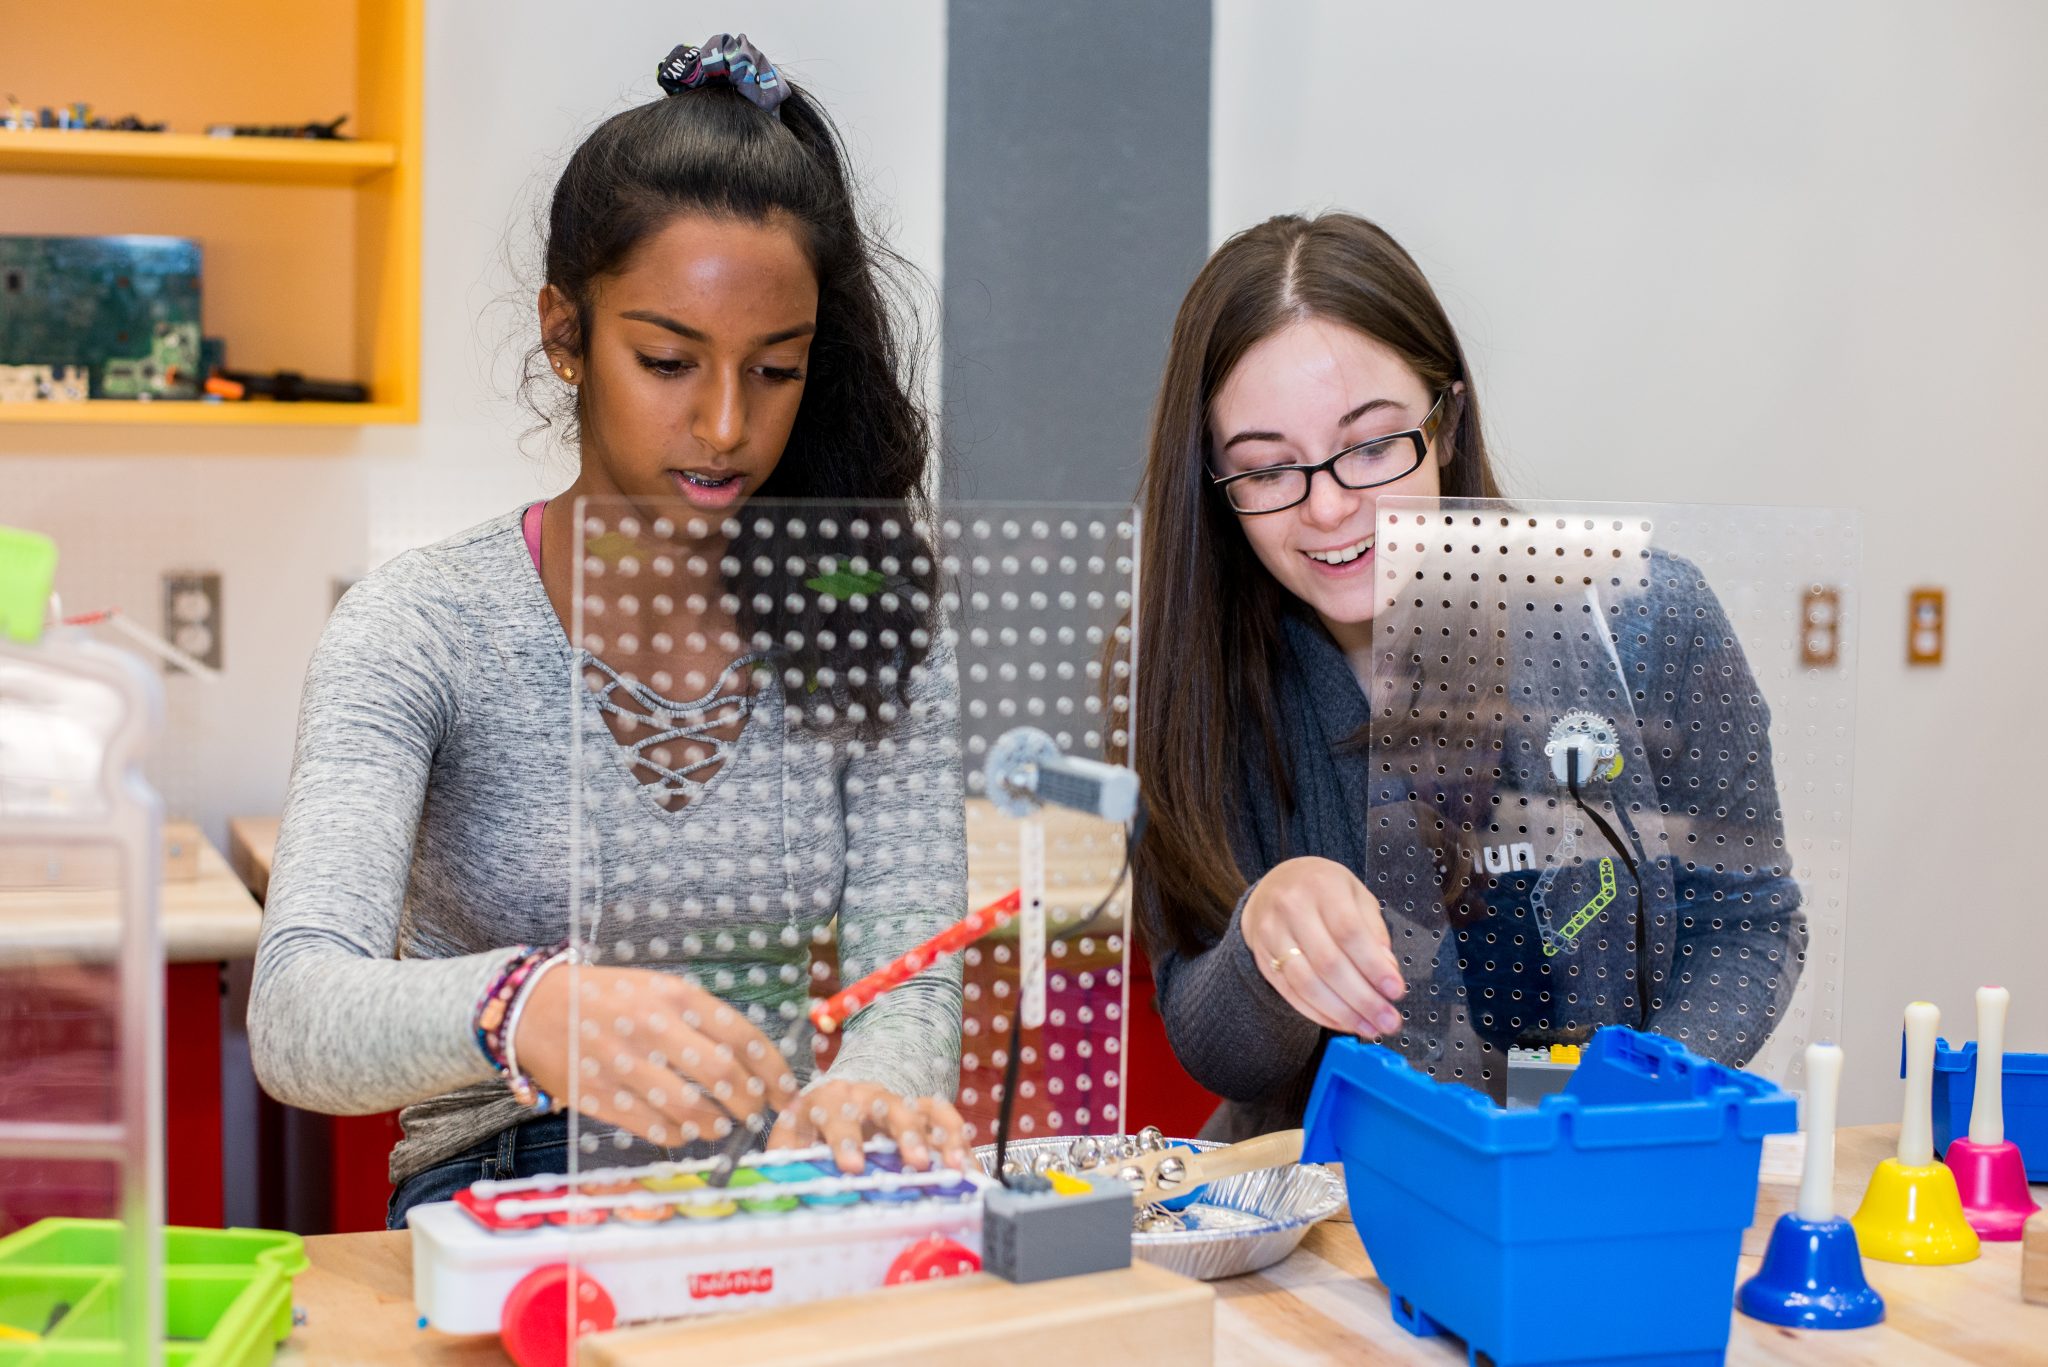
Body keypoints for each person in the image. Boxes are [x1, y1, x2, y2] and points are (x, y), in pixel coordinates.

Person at [250, 35, 970, 1227]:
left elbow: (912, 972)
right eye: (667, 360)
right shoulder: (421, 624)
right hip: (505, 1181)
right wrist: (523, 1006)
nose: (725, 423)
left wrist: (871, 1091)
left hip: (773, 1185)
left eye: (776, 370)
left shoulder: (868, 613)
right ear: (564, 334)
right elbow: (295, 1013)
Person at [1131, 212, 1804, 1139]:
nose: (1327, 506)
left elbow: (1747, 923)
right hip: (1320, 1199)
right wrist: (1263, 941)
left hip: (1594, 1172)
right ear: (1215, 483)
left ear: (1445, 422)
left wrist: (1618, 1107)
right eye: (1268, 468)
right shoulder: (1198, 678)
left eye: (1373, 446)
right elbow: (1217, 1053)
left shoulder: (1644, 618)